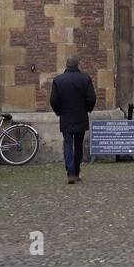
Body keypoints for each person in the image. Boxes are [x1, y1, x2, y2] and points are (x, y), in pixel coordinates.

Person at [49, 56, 97, 185]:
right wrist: (86, 109)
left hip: (66, 117)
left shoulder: (58, 80)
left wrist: (59, 111)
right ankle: (76, 171)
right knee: (78, 145)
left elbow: (53, 100)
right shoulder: (85, 79)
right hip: (80, 116)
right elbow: (91, 98)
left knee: (68, 144)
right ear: (77, 65)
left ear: (66, 65)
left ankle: (70, 173)